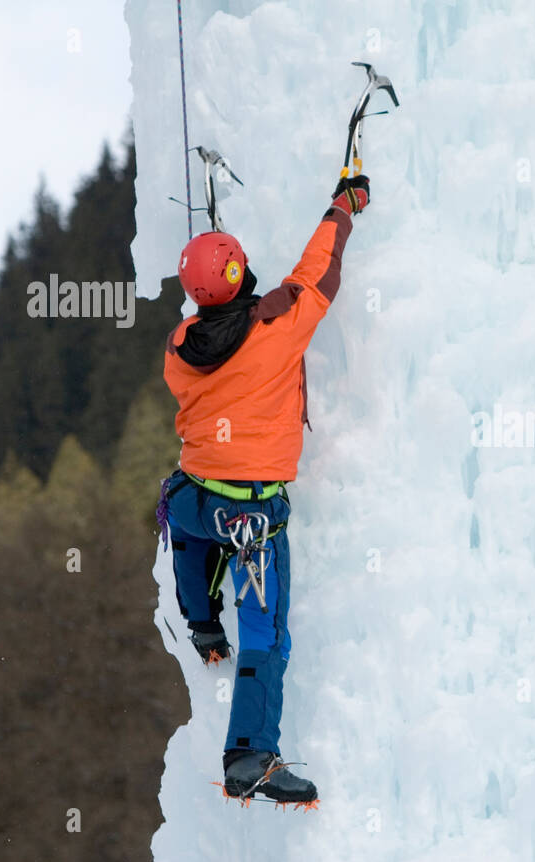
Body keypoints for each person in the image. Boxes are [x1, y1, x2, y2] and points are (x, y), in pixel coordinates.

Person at [156, 175, 369, 805]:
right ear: (242, 274)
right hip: (249, 513)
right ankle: (250, 754)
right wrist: (342, 207)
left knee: (188, 528)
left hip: (197, 500)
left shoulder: (178, 347)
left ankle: (201, 626)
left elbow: (220, 317)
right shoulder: (276, 327)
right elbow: (317, 274)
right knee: (267, 632)